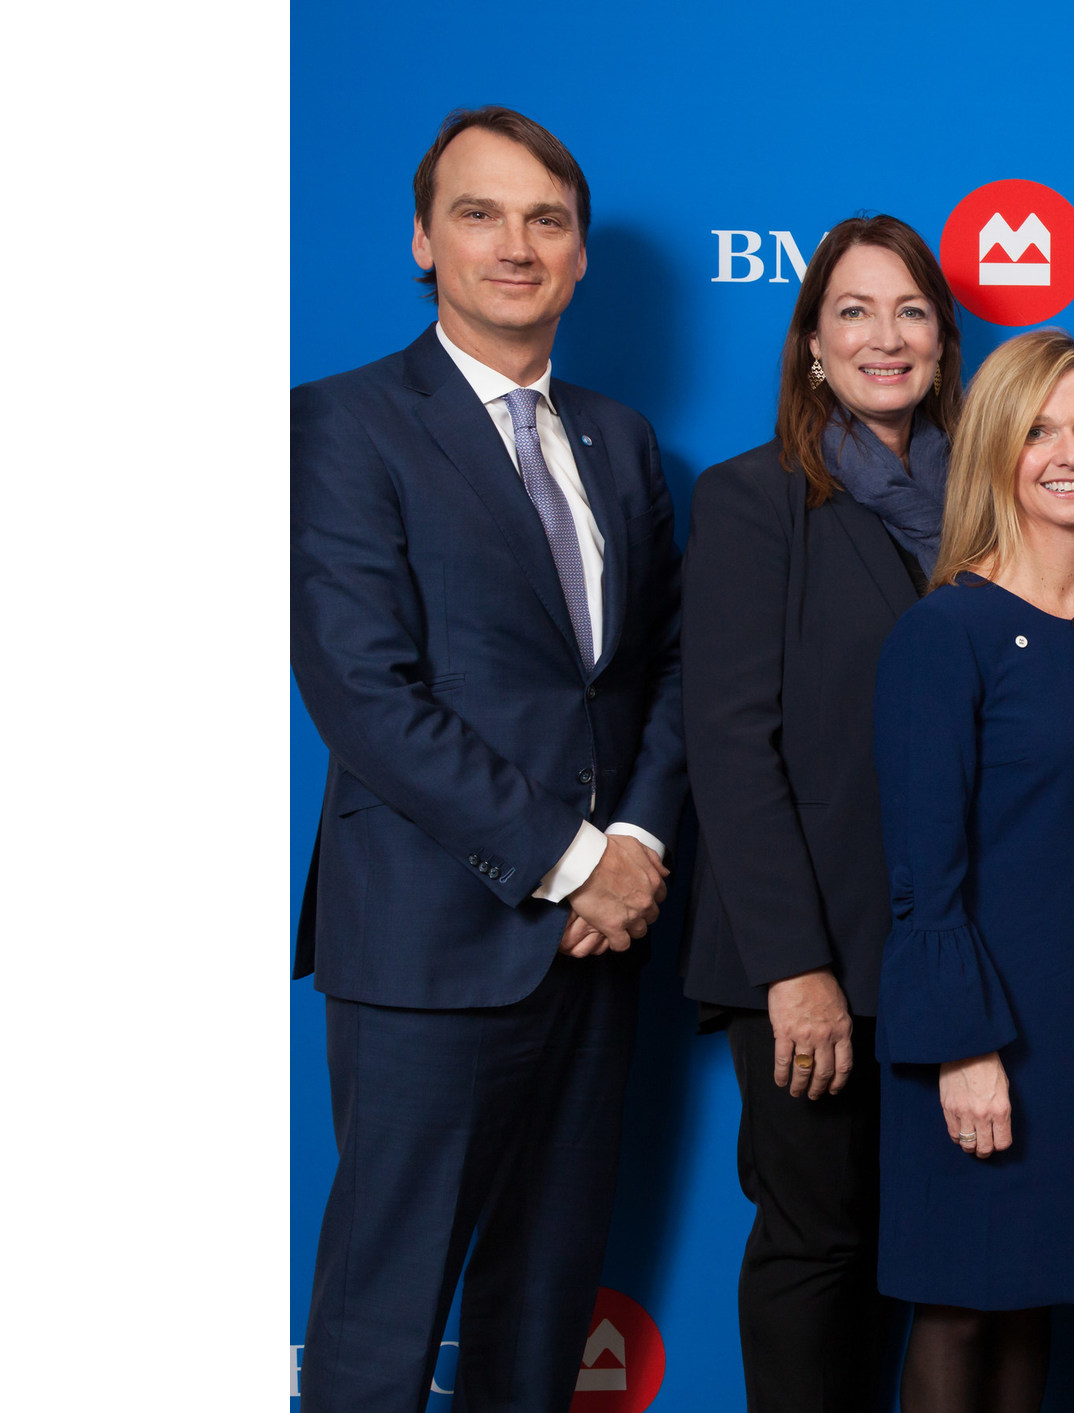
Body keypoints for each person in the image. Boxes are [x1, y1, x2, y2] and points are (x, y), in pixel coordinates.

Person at [290, 106, 683, 1412]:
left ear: (578, 260)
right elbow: (363, 691)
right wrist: (571, 863)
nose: (515, 244)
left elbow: (661, 670)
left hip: (600, 954)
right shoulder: (340, 425)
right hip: (431, 947)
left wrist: (631, 845)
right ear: (423, 240)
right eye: (480, 212)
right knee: (380, 1314)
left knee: (544, 1311)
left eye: (546, 220)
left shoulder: (620, 442)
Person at [682, 214, 962, 1412]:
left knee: (929, 1261)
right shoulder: (754, 501)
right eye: (853, 311)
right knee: (817, 1247)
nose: (883, 338)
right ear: (810, 346)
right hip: (809, 958)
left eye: (909, 312)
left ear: (945, 342)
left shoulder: (989, 506)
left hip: (945, 955)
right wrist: (795, 968)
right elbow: (732, 746)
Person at [871, 329, 1074, 1413]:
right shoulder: (947, 633)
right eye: (1039, 430)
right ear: (995, 449)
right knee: (959, 1302)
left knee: (1036, 1299)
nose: (1069, 452)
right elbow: (921, 873)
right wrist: (963, 1049)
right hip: (983, 1030)